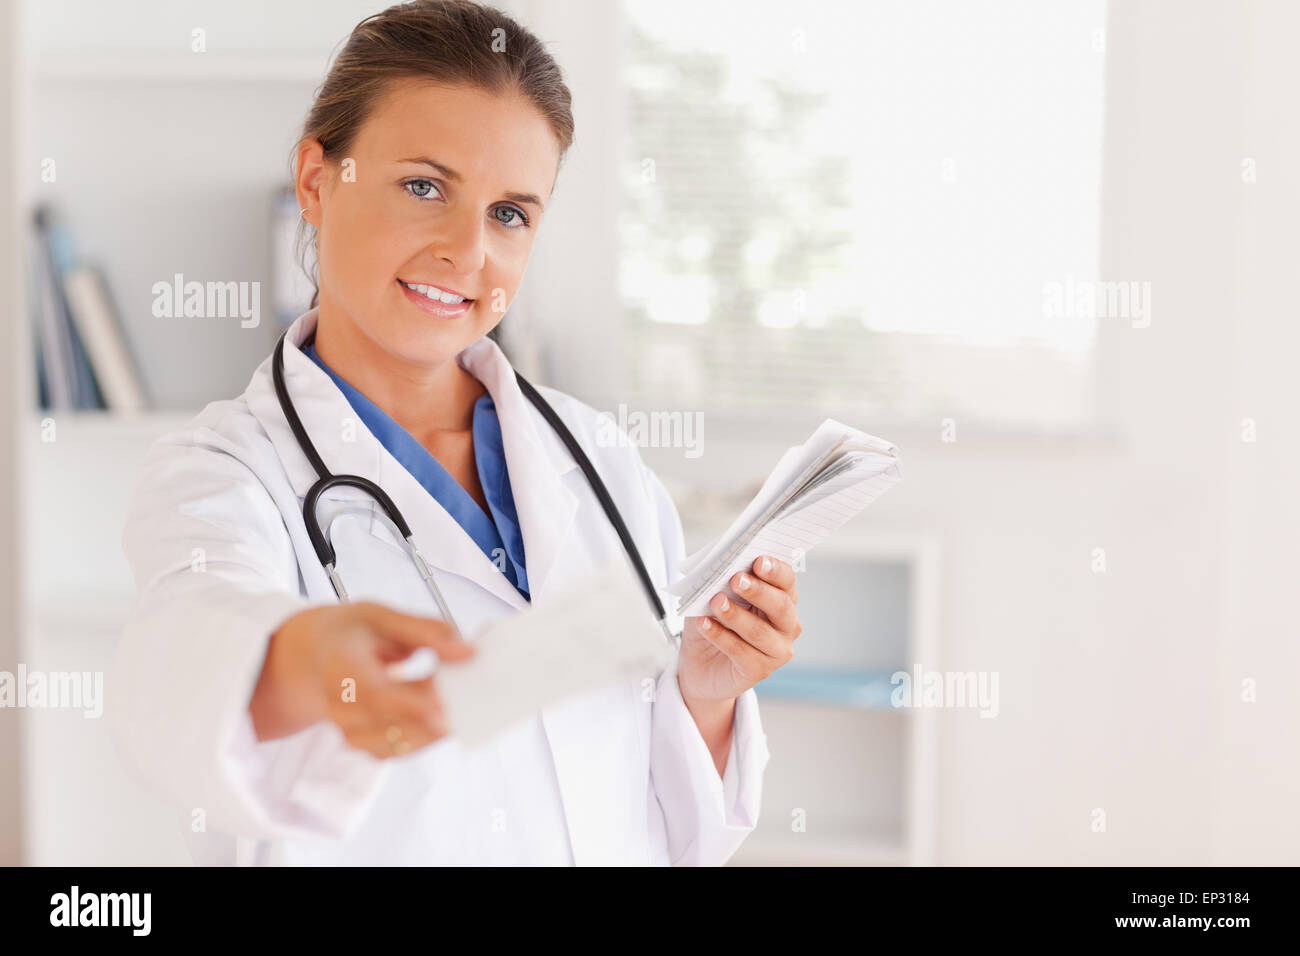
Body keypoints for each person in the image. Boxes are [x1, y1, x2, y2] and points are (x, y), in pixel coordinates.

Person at [108, 0, 803, 866]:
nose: (467, 251)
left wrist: (708, 692)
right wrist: (302, 662)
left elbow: (662, 824)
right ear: (317, 181)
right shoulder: (224, 472)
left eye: (510, 213)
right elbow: (176, 661)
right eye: (424, 187)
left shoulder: (597, 457)